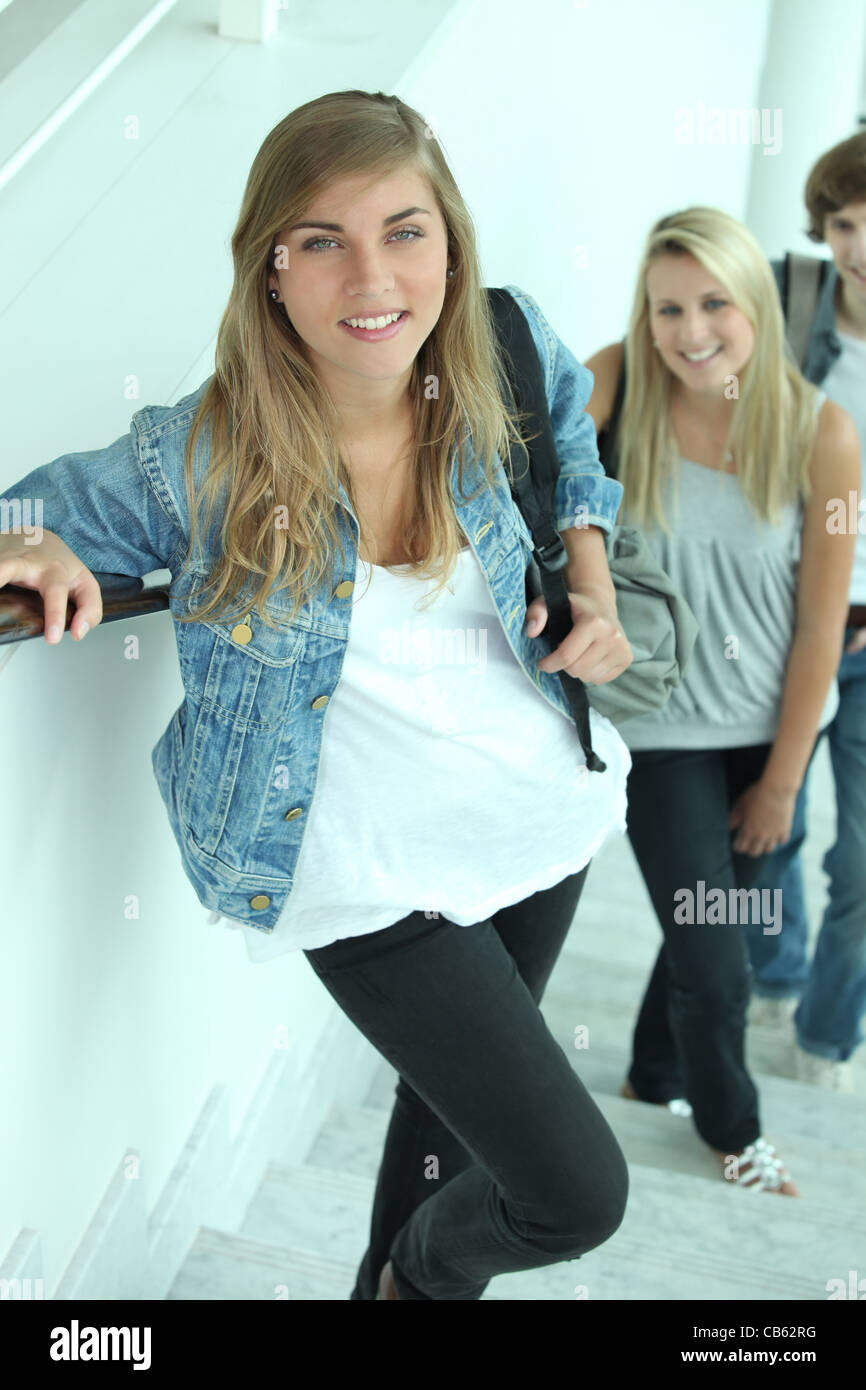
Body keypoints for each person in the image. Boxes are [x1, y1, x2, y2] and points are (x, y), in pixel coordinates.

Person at [0, 90, 634, 1300]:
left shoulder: (498, 350)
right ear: (270, 270)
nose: (370, 275)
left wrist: (590, 586)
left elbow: (573, 440)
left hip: (535, 815)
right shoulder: (204, 457)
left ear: (447, 240)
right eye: (320, 240)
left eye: (402, 230)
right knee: (570, 1192)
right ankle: (414, 1275)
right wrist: (21, 545)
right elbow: (22, 514)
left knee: (447, 1118)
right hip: (363, 874)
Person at [583, 206, 859, 1196]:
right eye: (666, 308)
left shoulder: (822, 434)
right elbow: (526, 445)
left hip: (765, 734)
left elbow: (821, 626)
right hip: (658, 731)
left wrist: (782, 781)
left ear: (753, 305)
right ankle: (733, 1132)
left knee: (719, 924)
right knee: (718, 953)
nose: (688, 329)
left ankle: (653, 1071)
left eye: (711, 304)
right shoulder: (618, 387)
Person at [745, 131, 866, 1095]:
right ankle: (774, 972)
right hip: (784, 618)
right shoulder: (786, 306)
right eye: (845, 225)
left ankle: (827, 1040)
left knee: (864, 863)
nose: (861, 246)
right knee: (766, 824)